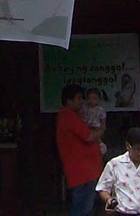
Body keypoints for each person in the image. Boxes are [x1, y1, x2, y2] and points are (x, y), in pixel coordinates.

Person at [58, 83, 104, 216]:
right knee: (84, 210)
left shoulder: (73, 116)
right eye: (78, 98)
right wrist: (102, 129)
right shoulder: (68, 116)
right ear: (69, 101)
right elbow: (89, 136)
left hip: (85, 172)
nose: (82, 102)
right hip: (82, 173)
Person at [82, 88, 109, 155]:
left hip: (96, 126)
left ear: (98, 99)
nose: (91, 101)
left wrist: (103, 126)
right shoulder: (85, 108)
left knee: (96, 136)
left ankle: (101, 145)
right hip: (87, 125)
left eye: (94, 98)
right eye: (89, 98)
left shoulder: (100, 109)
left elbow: (103, 118)